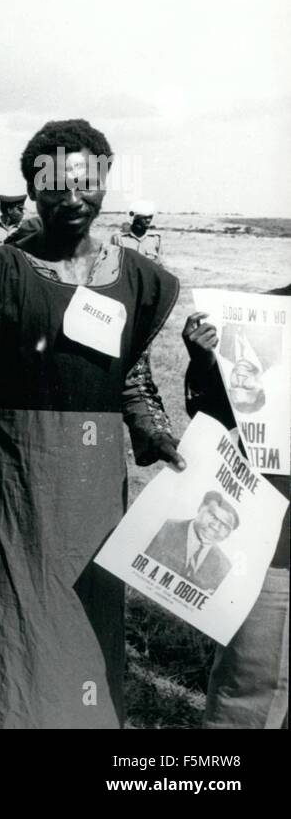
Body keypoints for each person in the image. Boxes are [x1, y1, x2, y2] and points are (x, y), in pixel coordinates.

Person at [0, 119, 184, 728]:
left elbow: (131, 377)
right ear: (31, 188)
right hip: (19, 478)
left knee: (87, 620)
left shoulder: (137, 278)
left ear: (105, 183)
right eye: (53, 185)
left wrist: (158, 434)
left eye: (86, 183)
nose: (71, 198)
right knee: (14, 617)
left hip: (96, 486)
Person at [182, 290, 291, 729]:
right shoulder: (261, 318)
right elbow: (210, 415)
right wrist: (205, 362)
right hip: (275, 541)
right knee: (253, 681)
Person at [144, 492, 238, 593]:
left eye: (224, 525)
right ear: (200, 508)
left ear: (228, 534)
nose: (215, 526)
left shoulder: (223, 567)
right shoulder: (162, 528)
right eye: (213, 516)